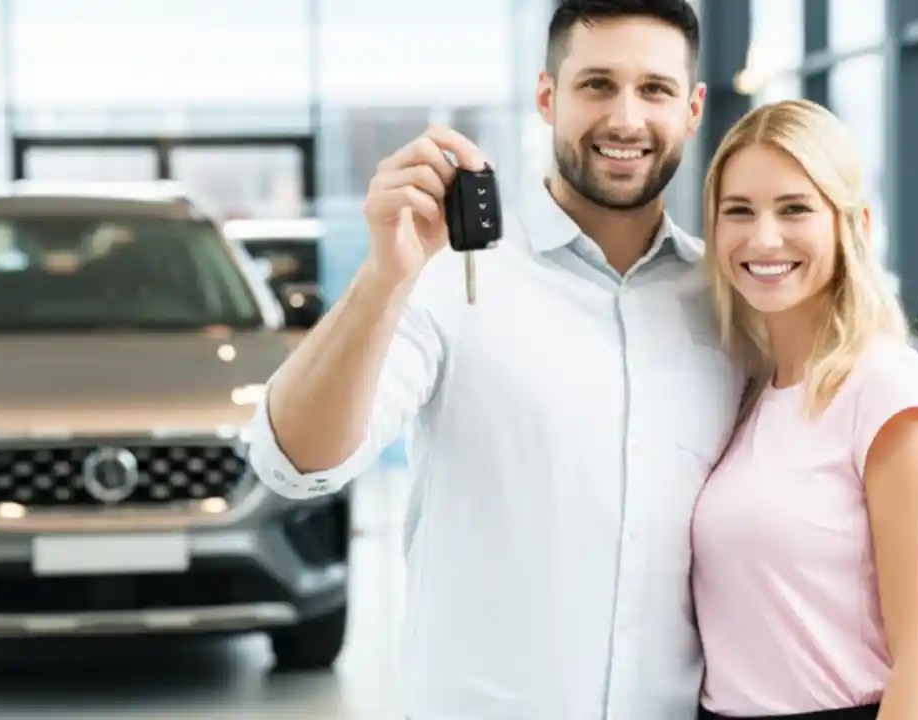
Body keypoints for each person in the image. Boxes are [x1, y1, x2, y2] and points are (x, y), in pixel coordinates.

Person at [246, 1, 742, 717]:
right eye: (597, 84)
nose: (626, 119)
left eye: (655, 90)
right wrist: (384, 277)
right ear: (548, 96)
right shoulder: (445, 273)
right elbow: (293, 462)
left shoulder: (727, 300)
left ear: (693, 109)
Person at [690, 99, 918, 720]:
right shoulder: (753, 393)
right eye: (739, 211)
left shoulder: (890, 392)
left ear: (854, 225)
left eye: (794, 209)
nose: (764, 237)